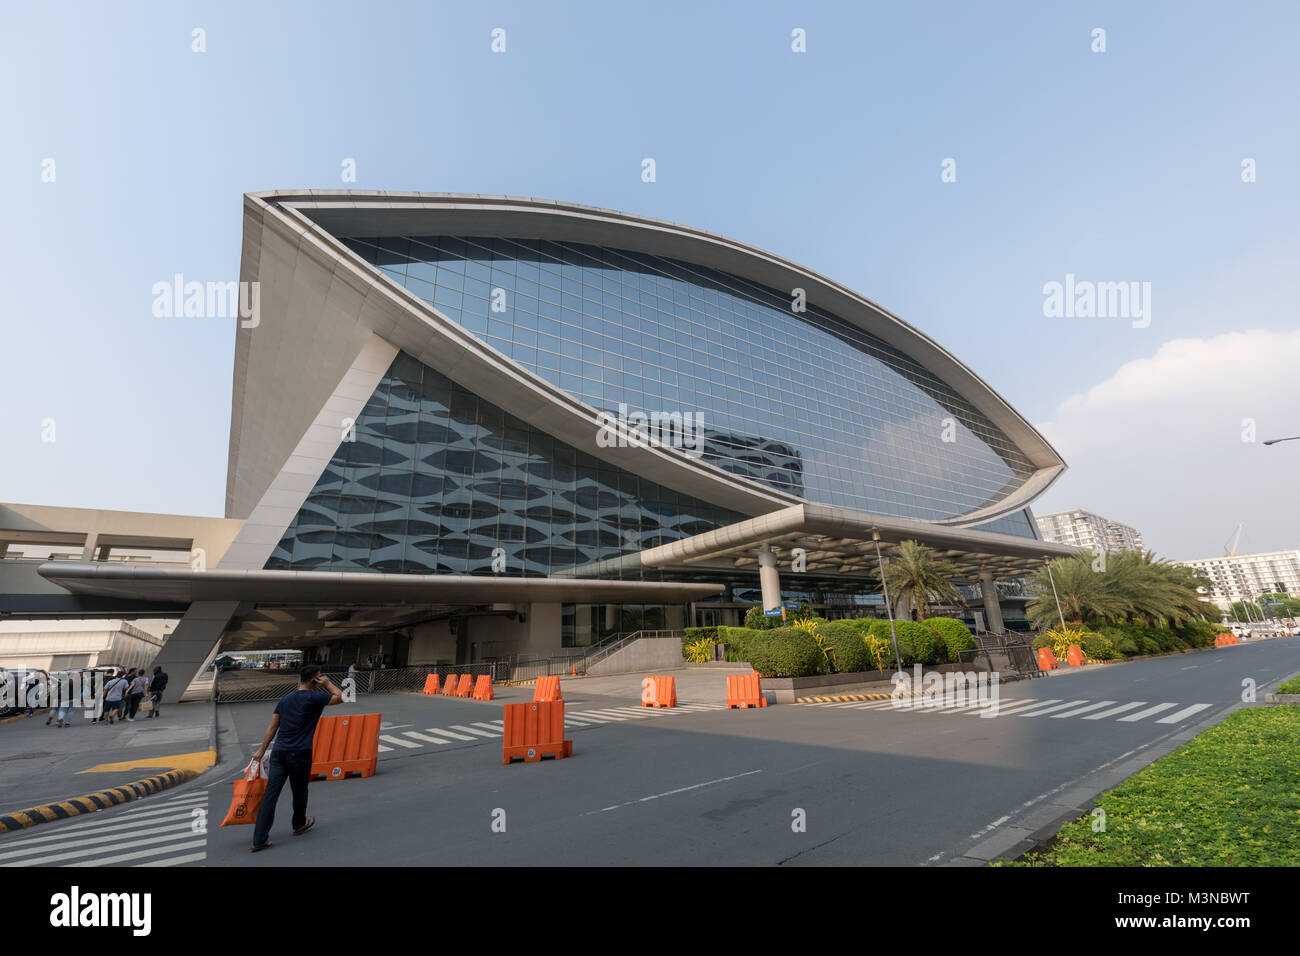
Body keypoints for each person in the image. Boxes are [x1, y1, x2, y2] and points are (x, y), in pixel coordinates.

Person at [249, 665, 344, 852]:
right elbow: (343, 697)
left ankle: (259, 839)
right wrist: (328, 683)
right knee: (299, 791)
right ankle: (299, 823)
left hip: (278, 752)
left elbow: (272, 727)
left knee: (271, 796)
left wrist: (261, 750)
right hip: (300, 753)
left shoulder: (285, 699)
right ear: (314, 680)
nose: (322, 678)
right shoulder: (314, 697)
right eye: (320, 677)